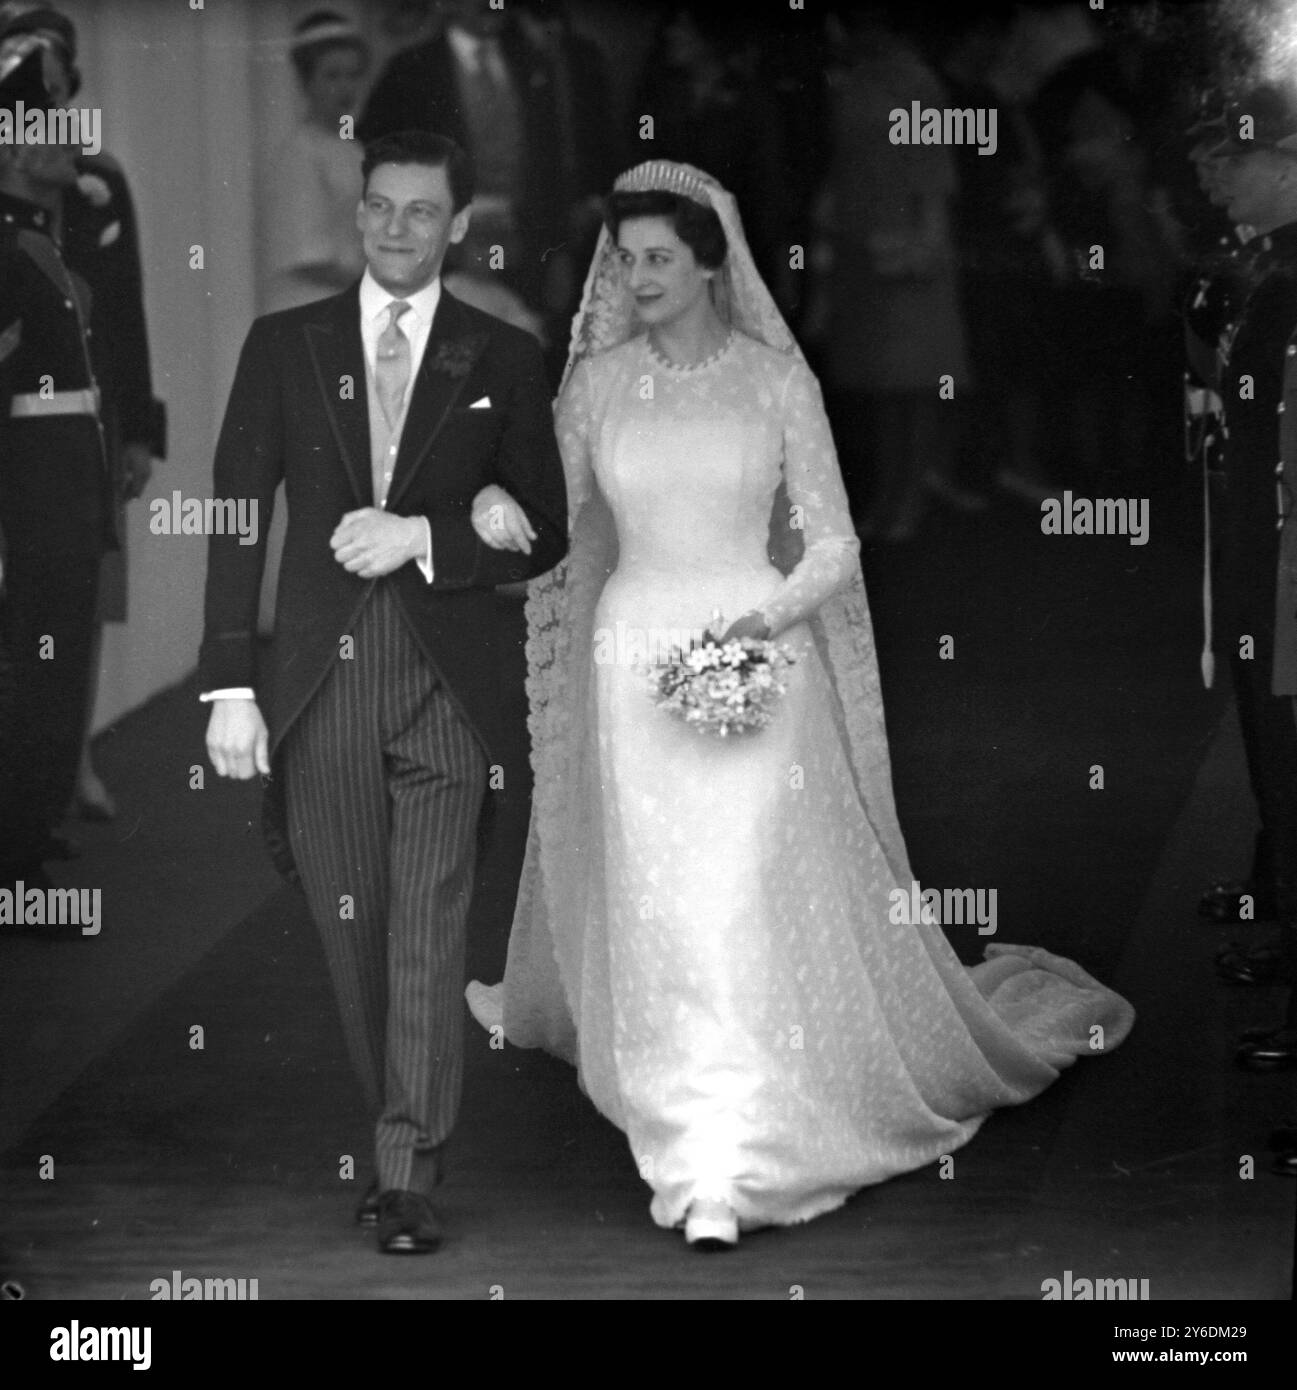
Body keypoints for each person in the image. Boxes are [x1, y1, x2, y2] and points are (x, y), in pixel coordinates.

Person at [466, 159, 1135, 1247]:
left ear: (708, 262)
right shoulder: (595, 386)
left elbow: (833, 543)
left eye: (658, 258)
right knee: (661, 898)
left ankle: (736, 1149)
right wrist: (491, 506)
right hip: (631, 655)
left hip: (752, 651)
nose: (635, 276)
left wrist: (763, 623)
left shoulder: (778, 384)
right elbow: (553, 517)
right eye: (623, 256)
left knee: (734, 891)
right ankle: (695, 1146)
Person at [199, 130, 568, 1253]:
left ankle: (407, 1167)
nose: (398, 228)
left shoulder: (501, 354)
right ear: (358, 214)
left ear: (460, 224)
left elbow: (543, 528)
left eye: (422, 210)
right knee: (349, 925)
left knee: (427, 924)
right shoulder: (283, 343)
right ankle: (393, 1122)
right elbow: (233, 513)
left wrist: (426, 534)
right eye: (380, 208)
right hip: (321, 681)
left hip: (450, 681)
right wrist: (228, 685)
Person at [0, 2, 165, 824]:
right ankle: (36, 776)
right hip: (25, 429)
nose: (57, 88)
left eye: (65, 72)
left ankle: (70, 761)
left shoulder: (99, 180)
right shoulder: (16, 172)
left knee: (89, 586)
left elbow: (126, 310)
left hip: (93, 417)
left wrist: (140, 427)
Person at [0, 45, 110, 926]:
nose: (71, 135)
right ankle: (16, 870)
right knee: (31, 675)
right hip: (29, 498)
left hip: (63, 489)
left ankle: (28, 843)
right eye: (48, 123)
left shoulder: (37, 237)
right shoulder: (7, 248)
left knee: (55, 670)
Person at [263, 9, 371, 314]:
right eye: (332, 76)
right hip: (310, 306)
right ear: (306, 81)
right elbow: (308, 258)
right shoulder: (300, 153)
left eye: (353, 75)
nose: (346, 88)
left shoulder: (354, 150)